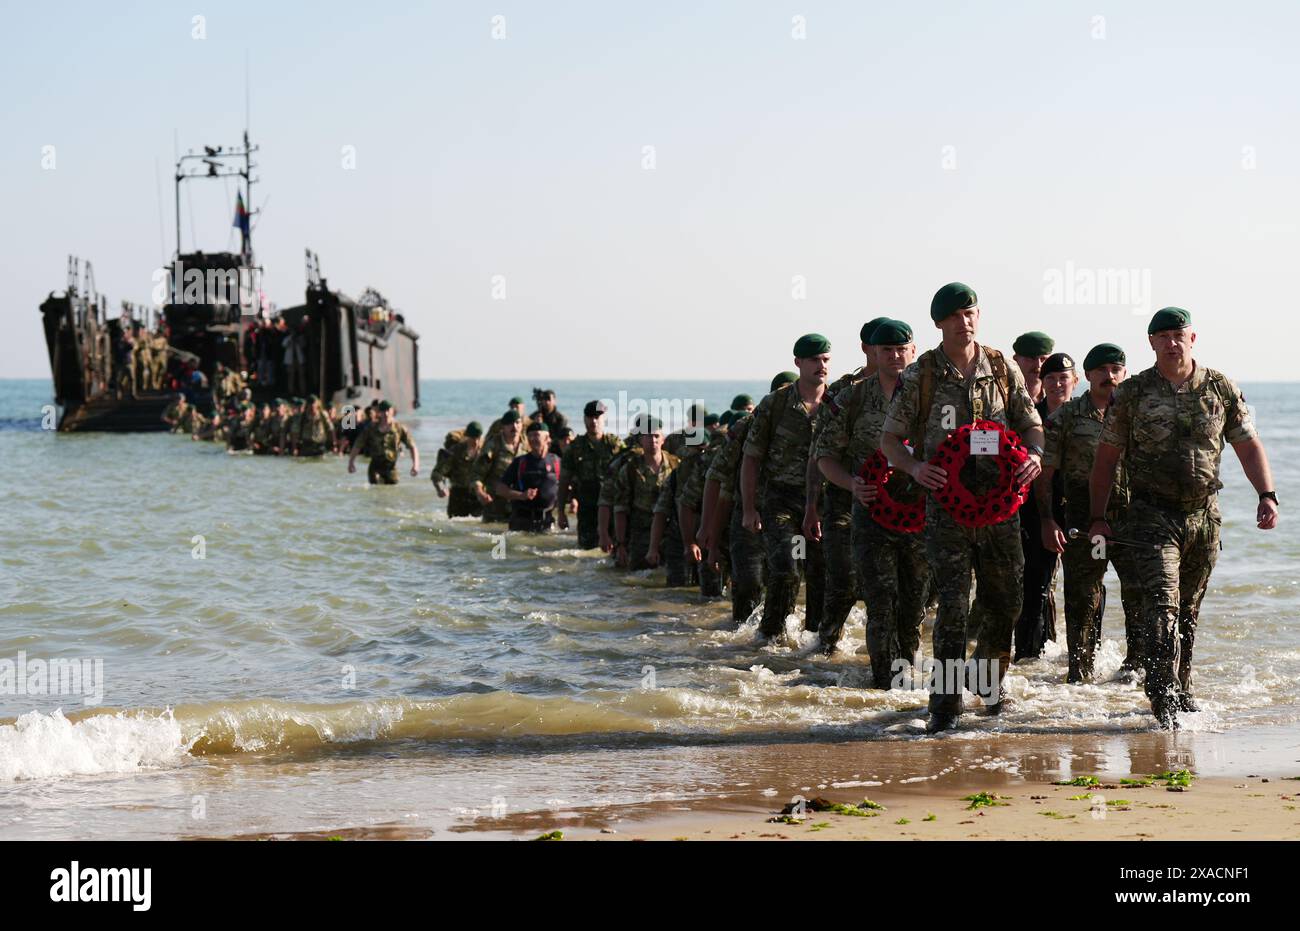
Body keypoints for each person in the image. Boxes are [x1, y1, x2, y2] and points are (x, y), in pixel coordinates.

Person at [1089, 307, 1277, 728]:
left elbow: (1247, 445)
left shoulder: (1219, 387)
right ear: (1151, 343)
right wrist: (1098, 518)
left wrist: (1267, 495)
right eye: (1163, 336)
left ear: (1193, 339)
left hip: (1203, 515)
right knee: (1161, 607)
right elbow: (1106, 459)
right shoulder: (1134, 392)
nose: (1172, 342)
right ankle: (1163, 700)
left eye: (1179, 335)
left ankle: (1183, 686)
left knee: (1188, 611)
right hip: (1152, 515)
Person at [880, 283, 1044, 732]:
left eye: (969, 312)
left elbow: (1032, 427)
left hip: (999, 509)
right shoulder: (923, 375)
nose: (964, 322)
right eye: (954, 316)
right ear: (939, 323)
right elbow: (889, 441)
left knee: (1006, 601)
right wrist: (914, 469)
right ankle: (945, 705)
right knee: (952, 607)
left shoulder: (1001, 367)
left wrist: (1034, 457)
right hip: (947, 509)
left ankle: (988, 681)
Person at [817, 319, 925, 684]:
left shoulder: (931, 395)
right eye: (886, 350)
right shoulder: (854, 397)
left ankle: (908, 678)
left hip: (920, 514)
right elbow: (824, 455)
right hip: (871, 512)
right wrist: (852, 484)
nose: (895, 356)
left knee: (914, 604)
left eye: (901, 349)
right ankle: (882, 684)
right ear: (873, 354)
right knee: (880, 600)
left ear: (913, 350)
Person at [1038, 343, 1144, 683]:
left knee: (1139, 595)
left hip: (1130, 518)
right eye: (1101, 371)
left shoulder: (1138, 413)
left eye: (1115, 370)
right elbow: (1045, 473)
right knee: (1083, 599)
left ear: (1124, 374)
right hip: (1082, 520)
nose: (1109, 376)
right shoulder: (1066, 417)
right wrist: (1047, 518)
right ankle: (1080, 677)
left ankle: (1136, 671)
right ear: (1087, 376)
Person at [804, 317, 888, 651]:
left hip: (895, 505)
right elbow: (818, 453)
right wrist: (811, 507)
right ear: (868, 348)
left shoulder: (912, 388)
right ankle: (827, 646)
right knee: (843, 577)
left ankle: (885, 653)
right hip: (843, 501)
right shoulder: (842, 393)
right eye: (882, 346)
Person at [742, 335, 830, 640]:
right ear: (799, 363)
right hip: (781, 499)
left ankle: (815, 640)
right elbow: (751, 459)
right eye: (815, 360)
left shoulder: (837, 403)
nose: (822, 366)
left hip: (823, 501)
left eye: (826, 360)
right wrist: (750, 508)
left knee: (820, 573)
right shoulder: (775, 404)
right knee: (788, 569)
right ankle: (771, 635)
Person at [1012, 352, 1074, 660]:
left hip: (1078, 511)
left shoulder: (1087, 417)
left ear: (1075, 381)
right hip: (1036, 512)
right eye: (1050, 378)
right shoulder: (1030, 420)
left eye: (1064, 378)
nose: (1057, 384)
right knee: (1033, 586)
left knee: (1085, 588)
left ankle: (1085, 656)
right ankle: (1027, 657)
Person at [612, 416, 679, 571]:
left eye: (656, 436)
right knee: (637, 579)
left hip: (669, 533)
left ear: (663, 439)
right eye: (648, 436)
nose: (653, 440)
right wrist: (620, 544)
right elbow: (620, 508)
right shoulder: (630, 469)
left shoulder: (675, 465)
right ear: (641, 440)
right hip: (640, 534)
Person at [558, 401, 623, 548]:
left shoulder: (616, 445)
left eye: (597, 417)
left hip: (611, 508)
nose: (594, 421)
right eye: (590, 417)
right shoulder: (574, 448)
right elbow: (563, 481)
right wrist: (561, 512)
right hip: (587, 509)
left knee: (614, 550)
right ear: (584, 419)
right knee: (586, 553)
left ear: (604, 418)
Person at [495, 421, 563, 532]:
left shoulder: (557, 462)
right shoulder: (520, 462)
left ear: (547, 438)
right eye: (530, 436)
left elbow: (568, 486)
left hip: (548, 522)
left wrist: (573, 501)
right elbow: (500, 489)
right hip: (521, 522)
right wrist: (521, 495)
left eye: (536, 435)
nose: (532, 439)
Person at [472, 410, 527, 521]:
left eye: (517, 423)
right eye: (510, 424)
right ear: (503, 427)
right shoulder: (493, 445)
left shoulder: (526, 445)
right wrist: (480, 493)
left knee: (518, 538)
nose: (514, 427)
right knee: (497, 538)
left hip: (519, 507)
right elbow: (477, 474)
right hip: (495, 508)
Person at [347, 400, 419, 483]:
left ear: (392, 411)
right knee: (376, 491)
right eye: (383, 411)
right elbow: (357, 445)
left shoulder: (399, 428)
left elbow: (412, 446)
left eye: (388, 410)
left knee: (392, 492)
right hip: (375, 467)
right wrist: (351, 463)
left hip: (391, 468)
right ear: (379, 413)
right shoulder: (371, 428)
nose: (386, 413)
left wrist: (415, 465)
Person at [432, 422, 485, 518]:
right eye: (473, 438)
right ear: (467, 437)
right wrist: (440, 488)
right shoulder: (455, 452)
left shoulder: (485, 450)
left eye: (478, 438)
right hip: (458, 495)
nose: (476, 442)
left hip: (478, 495)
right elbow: (437, 473)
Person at [1012, 331, 1055, 405]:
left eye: (1043, 359)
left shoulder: (1056, 396)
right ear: (1016, 359)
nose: (1038, 365)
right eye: (1031, 358)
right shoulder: (1004, 396)